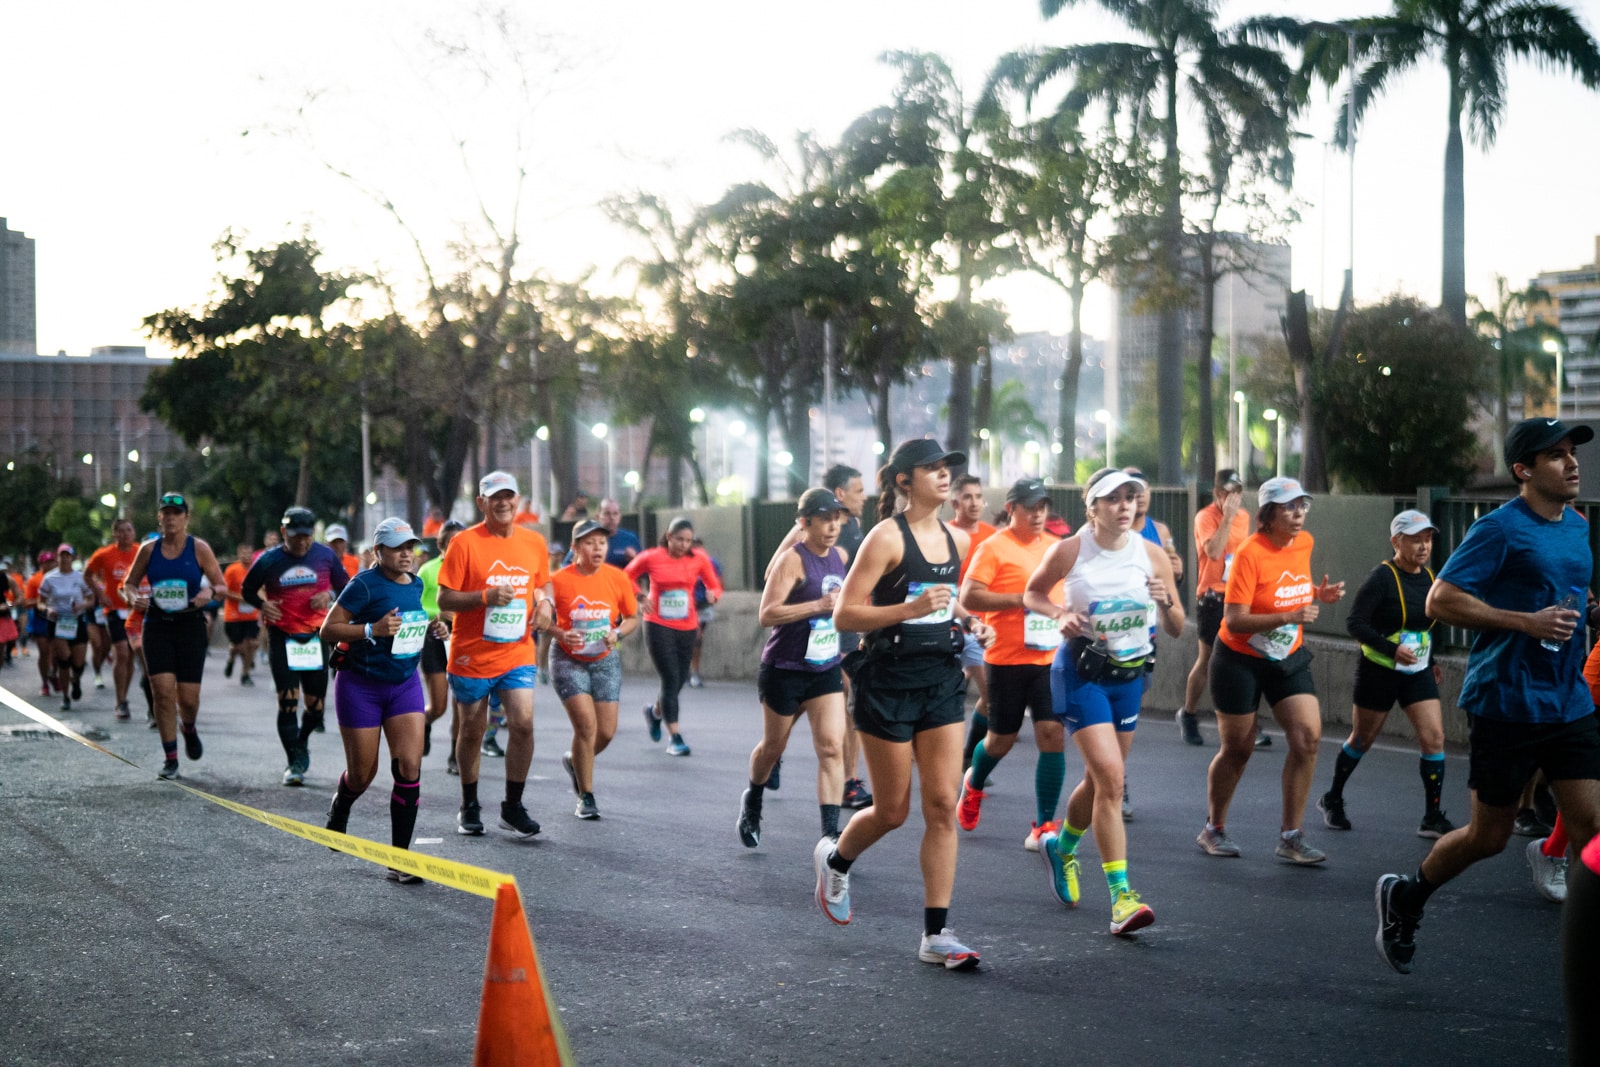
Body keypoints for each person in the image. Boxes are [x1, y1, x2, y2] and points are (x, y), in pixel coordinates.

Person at [1378, 418, 1600, 975]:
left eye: (1572, 453)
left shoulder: (1575, 525)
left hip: (1568, 700)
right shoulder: (1498, 529)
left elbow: (1568, 588)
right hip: (1507, 701)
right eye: (1556, 455)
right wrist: (1526, 622)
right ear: (1524, 471)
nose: (1572, 463)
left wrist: (1588, 609)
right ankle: (1405, 899)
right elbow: (1440, 600)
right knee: (1487, 836)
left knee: (1592, 829)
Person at [815, 438, 993, 970]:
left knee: (942, 806)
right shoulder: (884, 538)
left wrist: (965, 618)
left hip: (940, 678)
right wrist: (909, 607)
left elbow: (947, 598)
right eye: (931, 469)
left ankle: (936, 934)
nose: (944, 476)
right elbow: (844, 615)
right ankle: (836, 860)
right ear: (903, 481)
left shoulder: (957, 537)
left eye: (947, 468)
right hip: (887, 681)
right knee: (893, 810)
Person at [1023, 469, 1184, 935]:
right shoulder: (1070, 549)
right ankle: (1122, 899)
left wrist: (1166, 602)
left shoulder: (1150, 553)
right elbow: (1032, 592)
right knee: (1113, 780)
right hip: (1081, 673)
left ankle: (1062, 847)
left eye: (1130, 498)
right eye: (1112, 499)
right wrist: (1060, 613)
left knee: (1099, 783)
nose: (1125, 506)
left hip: (1129, 676)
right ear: (1091, 507)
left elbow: (1176, 627)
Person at [1199, 476, 1344, 865]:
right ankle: (1214, 827)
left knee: (1308, 738)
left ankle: (1291, 835)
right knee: (1238, 748)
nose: (1298, 515)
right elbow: (1234, 620)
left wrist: (1315, 594)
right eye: (1288, 508)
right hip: (1238, 659)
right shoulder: (1249, 552)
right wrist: (1290, 614)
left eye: (1302, 506)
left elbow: (1284, 585)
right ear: (1268, 514)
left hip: (1287, 655)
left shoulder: (1305, 543)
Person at [320, 518, 444, 884]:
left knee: (409, 767)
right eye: (397, 547)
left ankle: (399, 860)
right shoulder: (363, 586)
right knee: (363, 773)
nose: (407, 553)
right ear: (379, 552)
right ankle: (342, 804)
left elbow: (412, 620)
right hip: (361, 686)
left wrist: (435, 627)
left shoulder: (418, 582)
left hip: (404, 684)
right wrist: (371, 629)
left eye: (411, 547)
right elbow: (328, 629)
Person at [1317, 509, 1453, 839]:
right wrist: (1391, 650)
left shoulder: (1431, 579)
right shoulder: (1381, 578)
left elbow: (1422, 626)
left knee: (1434, 738)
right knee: (1362, 739)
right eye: (1415, 540)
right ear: (1396, 541)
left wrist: (1430, 659)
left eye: (1428, 539)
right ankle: (1332, 798)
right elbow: (1355, 623)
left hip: (1416, 671)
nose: (1424, 546)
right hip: (1379, 669)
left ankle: (1432, 816)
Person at [436, 470, 554, 840]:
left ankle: (512, 806)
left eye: (509, 496)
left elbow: (542, 580)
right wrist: (484, 597)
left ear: (517, 500)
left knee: (523, 723)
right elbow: (444, 599)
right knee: (472, 728)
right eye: (495, 497)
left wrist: (545, 601)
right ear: (481, 503)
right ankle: (469, 804)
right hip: (471, 653)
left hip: (517, 650)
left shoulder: (534, 542)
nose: (503, 502)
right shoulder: (464, 544)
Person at [955, 478, 1069, 851]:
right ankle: (973, 784)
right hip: (1006, 658)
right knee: (1000, 741)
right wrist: (1022, 599)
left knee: (1052, 735)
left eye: (1042, 507)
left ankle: (1044, 826)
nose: (1038, 514)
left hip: (1049, 658)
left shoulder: (1056, 548)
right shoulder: (994, 547)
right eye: (1030, 507)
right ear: (1011, 508)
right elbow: (970, 595)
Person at [739, 489, 851, 848]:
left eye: (837, 518)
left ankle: (830, 837)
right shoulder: (792, 560)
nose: (833, 526)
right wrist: (818, 604)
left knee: (833, 747)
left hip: (824, 668)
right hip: (784, 669)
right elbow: (766, 614)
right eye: (824, 518)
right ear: (805, 523)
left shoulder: (841, 557)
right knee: (772, 747)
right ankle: (753, 798)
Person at [765, 466, 874, 809]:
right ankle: (774, 752)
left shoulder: (852, 527)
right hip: (805, 634)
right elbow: (773, 572)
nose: (864, 496)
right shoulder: (808, 531)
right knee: (822, 702)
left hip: (840, 629)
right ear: (839, 494)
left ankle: (848, 780)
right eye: (858, 490)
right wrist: (813, 598)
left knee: (846, 700)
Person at [121, 494, 228, 780]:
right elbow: (128, 584)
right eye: (165, 513)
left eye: (176, 513)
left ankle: (189, 728)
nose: (170, 518)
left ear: (186, 518)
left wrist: (209, 592)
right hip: (157, 625)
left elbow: (221, 585)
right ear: (159, 517)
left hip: (190, 626)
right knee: (163, 692)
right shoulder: (148, 549)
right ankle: (170, 758)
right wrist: (134, 597)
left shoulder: (199, 548)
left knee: (189, 700)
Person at [242, 506, 350, 786]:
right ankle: (294, 761)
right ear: (283, 533)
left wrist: (328, 594)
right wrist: (263, 604)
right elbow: (246, 589)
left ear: (313, 534)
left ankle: (301, 741)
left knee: (315, 707)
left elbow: (347, 589)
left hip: (315, 636)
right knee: (288, 701)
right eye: (294, 536)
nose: (301, 542)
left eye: (306, 536)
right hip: (282, 635)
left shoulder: (325, 556)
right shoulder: (269, 560)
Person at [549, 518, 640, 819]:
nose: (598, 548)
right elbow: (539, 619)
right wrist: (560, 633)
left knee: (607, 732)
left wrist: (618, 633)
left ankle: (575, 759)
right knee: (586, 727)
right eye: (590, 543)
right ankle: (586, 796)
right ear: (575, 547)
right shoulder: (560, 580)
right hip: (568, 658)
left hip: (605, 658)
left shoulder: (617, 577)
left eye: (602, 542)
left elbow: (631, 617)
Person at [626, 517, 723, 756]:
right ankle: (675, 736)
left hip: (687, 624)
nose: (683, 545)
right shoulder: (651, 557)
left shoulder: (699, 559)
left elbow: (715, 585)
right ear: (668, 537)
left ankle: (655, 712)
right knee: (670, 677)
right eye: (679, 539)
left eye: (688, 541)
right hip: (658, 623)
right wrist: (640, 597)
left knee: (679, 679)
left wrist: (713, 595)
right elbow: (625, 577)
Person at [1178, 468, 1251, 747]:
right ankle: (1189, 714)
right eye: (1228, 493)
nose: (1234, 499)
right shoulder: (1206, 517)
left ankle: (1245, 722)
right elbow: (1214, 551)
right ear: (1218, 494)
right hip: (1212, 596)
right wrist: (1228, 517)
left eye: (1238, 493)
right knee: (1207, 659)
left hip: (1238, 594)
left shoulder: (1244, 517)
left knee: (1245, 659)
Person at [949, 474, 997, 776]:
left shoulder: (993, 536)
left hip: (983, 628)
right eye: (968, 497)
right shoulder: (945, 535)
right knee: (941, 700)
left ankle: (968, 757)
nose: (975, 502)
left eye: (979, 496)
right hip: (948, 624)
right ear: (954, 502)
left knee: (991, 698)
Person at [419, 519, 465, 775]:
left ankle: (455, 755)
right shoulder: (427, 570)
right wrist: (438, 611)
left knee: (461, 703)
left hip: (462, 639)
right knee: (440, 706)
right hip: (435, 638)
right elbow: (412, 604)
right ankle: (425, 721)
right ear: (440, 544)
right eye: (452, 542)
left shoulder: (471, 569)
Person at [85, 519, 141, 718]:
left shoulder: (141, 552)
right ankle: (120, 701)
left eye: (129, 530)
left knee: (132, 655)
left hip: (136, 611)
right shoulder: (104, 554)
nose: (125, 534)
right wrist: (100, 595)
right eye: (121, 531)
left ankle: (124, 697)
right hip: (114, 611)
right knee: (122, 652)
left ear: (134, 532)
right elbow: (87, 575)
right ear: (114, 534)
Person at [40, 544, 94, 712]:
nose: (64, 559)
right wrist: (48, 609)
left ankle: (76, 679)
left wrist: (82, 606)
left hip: (76, 620)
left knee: (78, 662)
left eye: (67, 555)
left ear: (72, 558)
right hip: (58, 622)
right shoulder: (49, 578)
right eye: (61, 556)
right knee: (64, 660)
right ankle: (65, 697)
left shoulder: (80, 577)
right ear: (57, 558)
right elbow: (40, 601)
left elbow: (91, 599)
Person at [221, 542, 260, 688]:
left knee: (252, 644)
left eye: (249, 553)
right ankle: (231, 658)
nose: (247, 556)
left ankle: (245, 674)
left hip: (251, 615)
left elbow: (261, 588)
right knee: (238, 647)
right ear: (239, 554)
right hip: (233, 615)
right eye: (244, 553)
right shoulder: (232, 570)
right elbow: (225, 591)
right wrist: (242, 598)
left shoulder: (256, 570)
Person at [688, 538, 724, 688]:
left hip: (703, 606)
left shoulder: (712, 563)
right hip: (687, 608)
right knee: (694, 639)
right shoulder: (685, 563)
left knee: (697, 640)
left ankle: (693, 672)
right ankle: (690, 672)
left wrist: (713, 596)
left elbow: (719, 584)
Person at [23, 550, 55, 697]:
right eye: (46, 562)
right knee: (44, 652)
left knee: (56, 651)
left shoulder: (59, 577)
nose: (49, 564)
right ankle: (44, 682)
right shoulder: (34, 580)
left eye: (52, 561)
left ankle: (53, 674)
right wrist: (41, 602)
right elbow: (26, 602)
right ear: (41, 563)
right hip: (40, 618)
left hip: (57, 618)